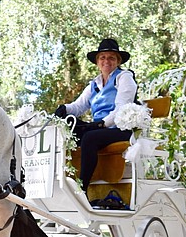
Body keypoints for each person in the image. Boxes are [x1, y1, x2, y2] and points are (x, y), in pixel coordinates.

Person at [54, 38, 137, 193]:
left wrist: (102, 124)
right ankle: (59, 183)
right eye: (102, 57)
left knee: (89, 137)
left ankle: (82, 189)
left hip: (119, 129)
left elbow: (121, 108)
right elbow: (79, 107)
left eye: (111, 57)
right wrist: (64, 109)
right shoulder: (94, 84)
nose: (106, 61)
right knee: (65, 126)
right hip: (99, 128)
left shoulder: (124, 77)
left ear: (118, 61)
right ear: (97, 62)